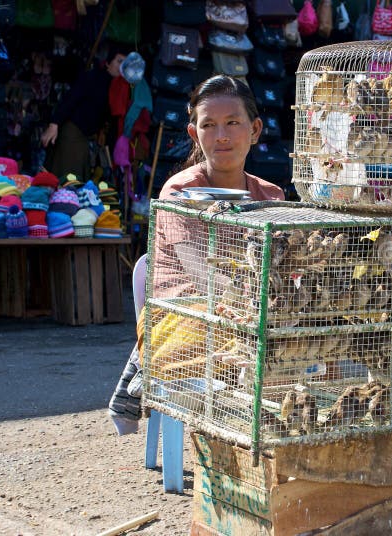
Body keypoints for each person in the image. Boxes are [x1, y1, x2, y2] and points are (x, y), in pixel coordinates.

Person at [109, 75, 284, 435]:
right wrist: (259, 305)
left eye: (233, 123)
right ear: (194, 133)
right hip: (189, 310)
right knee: (247, 339)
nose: (222, 135)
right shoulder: (181, 191)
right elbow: (200, 271)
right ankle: (155, 371)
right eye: (209, 125)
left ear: (254, 130)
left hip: (252, 311)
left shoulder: (271, 195)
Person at [40, 45, 128, 181]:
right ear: (108, 62)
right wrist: (54, 124)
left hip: (83, 136)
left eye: (125, 63)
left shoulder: (118, 86)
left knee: (74, 180)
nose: (122, 66)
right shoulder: (93, 77)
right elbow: (71, 98)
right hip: (72, 131)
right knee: (68, 180)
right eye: (119, 61)